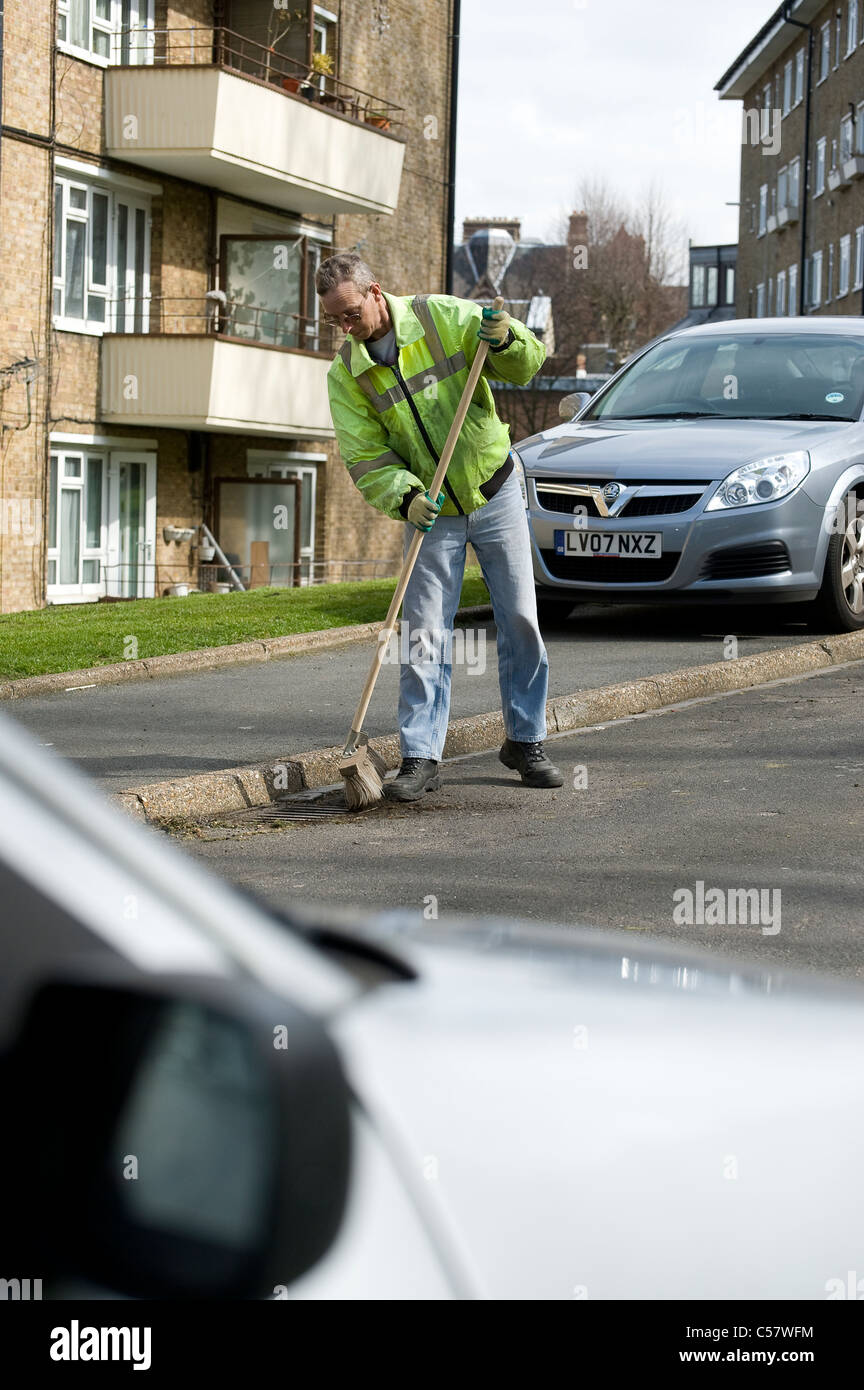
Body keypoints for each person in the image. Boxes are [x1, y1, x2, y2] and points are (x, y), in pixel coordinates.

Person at [317, 252, 563, 802]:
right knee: (424, 631)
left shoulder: (441, 318)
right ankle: (421, 755)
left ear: (375, 292)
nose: (347, 328)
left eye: (351, 313)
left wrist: (507, 340)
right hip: (431, 510)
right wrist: (404, 497)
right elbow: (365, 458)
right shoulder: (347, 374)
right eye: (336, 321)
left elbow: (527, 364)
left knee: (520, 618)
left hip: (495, 490)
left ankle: (526, 740)